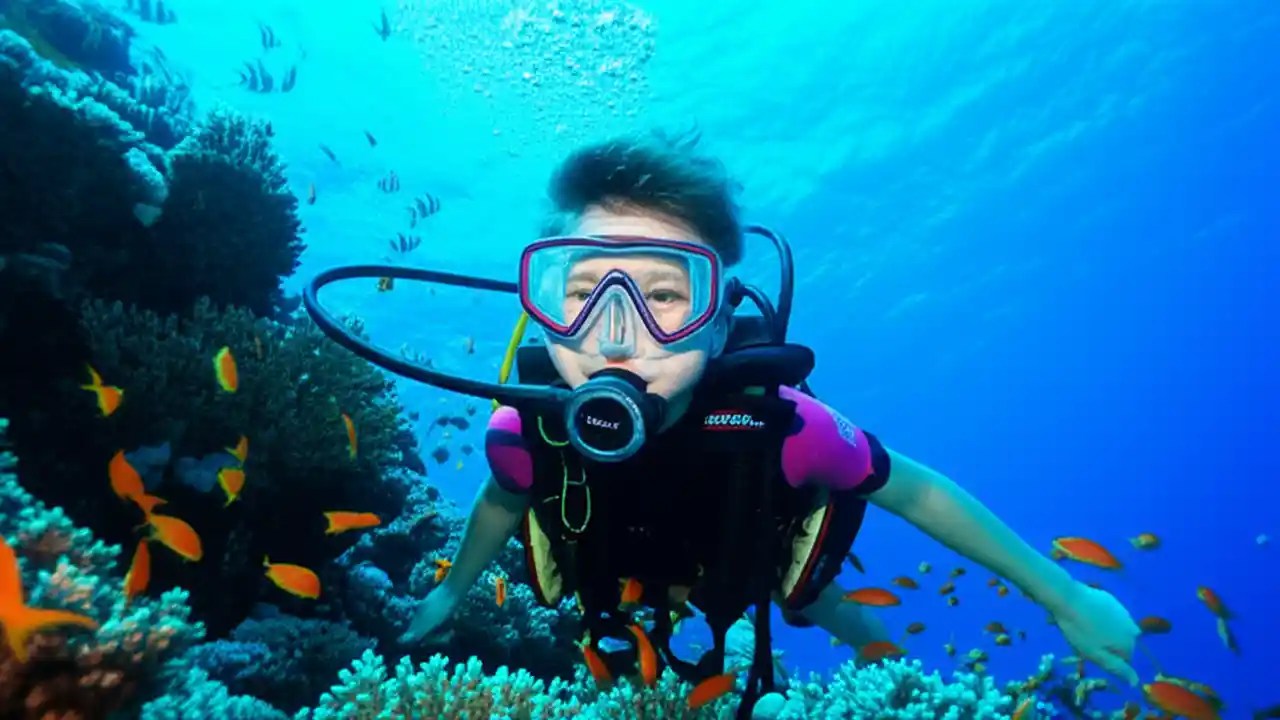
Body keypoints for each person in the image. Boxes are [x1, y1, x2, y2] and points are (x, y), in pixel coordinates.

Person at [327, 131, 1140, 718]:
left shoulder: (787, 428)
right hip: (606, 565)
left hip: (743, 556)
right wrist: (449, 592)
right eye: (582, 295)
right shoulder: (520, 432)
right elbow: (499, 507)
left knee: (808, 597)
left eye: (666, 296)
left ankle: (874, 651)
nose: (616, 335)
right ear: (541, 314)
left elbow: (918, 493)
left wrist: (1064, 595)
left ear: (718, 324)